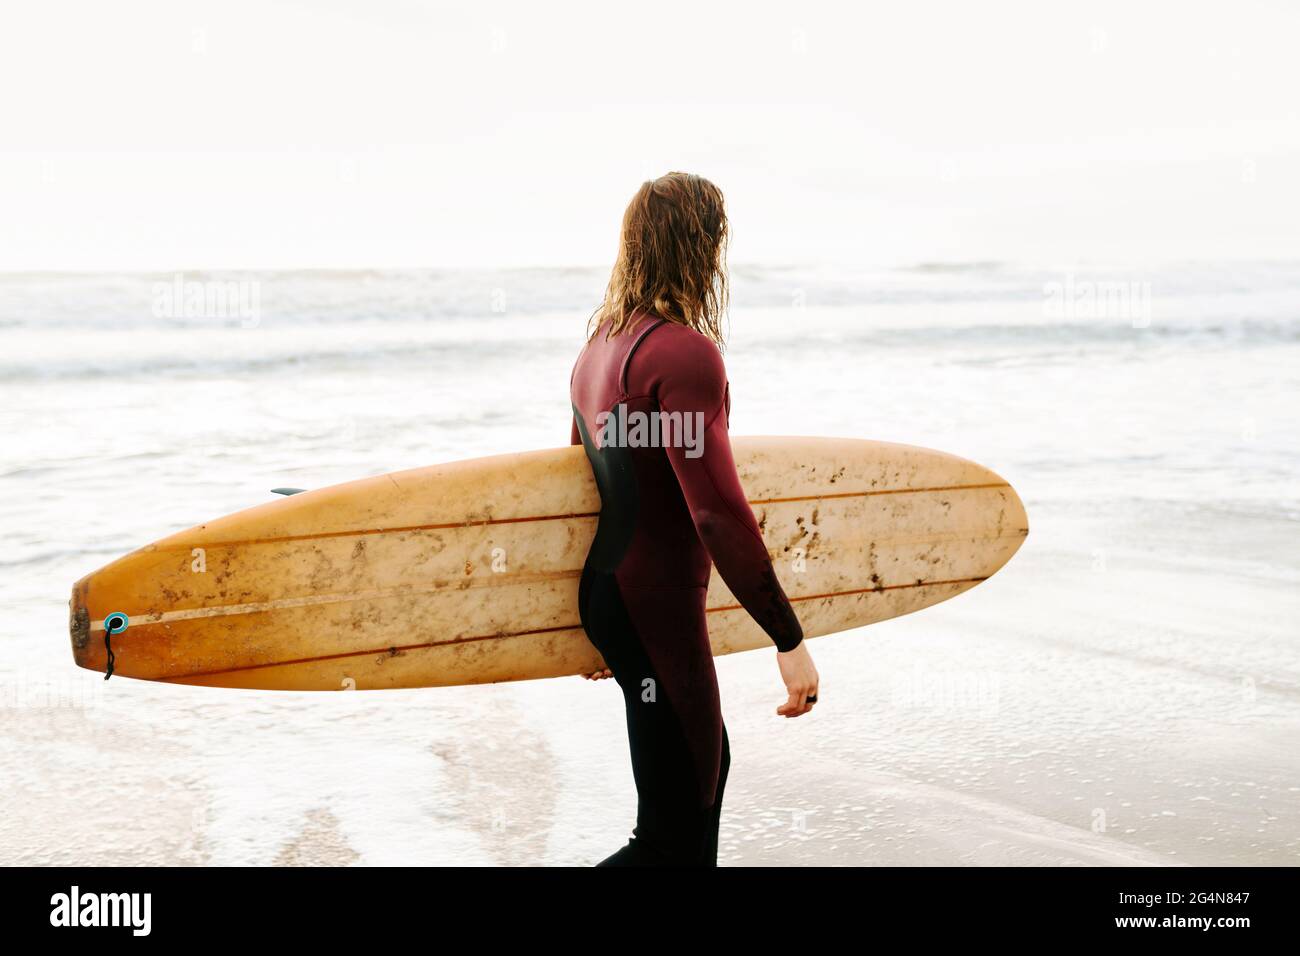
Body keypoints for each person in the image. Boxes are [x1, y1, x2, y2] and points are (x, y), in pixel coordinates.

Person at [569, 172, 819, 866]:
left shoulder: (597, 349)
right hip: (657, 607)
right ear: (702, 246)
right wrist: (787, 637)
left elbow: (580, 491)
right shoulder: (682, 354)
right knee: (674, 839)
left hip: (613, 601)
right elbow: (715, 512)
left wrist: (597, 631)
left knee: (691, 800)